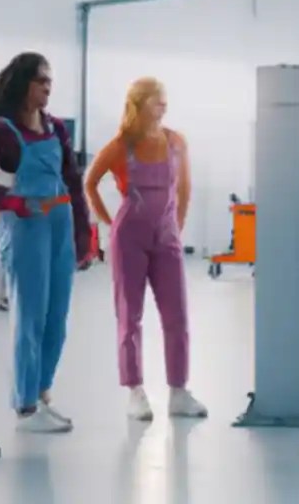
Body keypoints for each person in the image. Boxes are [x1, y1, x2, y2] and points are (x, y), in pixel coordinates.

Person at [84, 77, 207, 421]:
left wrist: (176, 227)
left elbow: (185, 188)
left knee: (177, 314)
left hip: (166, 237)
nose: (164, 107)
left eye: (165, 101)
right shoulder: (122, 145)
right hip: (130, 237)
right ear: (139, 105)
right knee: (129, 315)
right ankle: (135, 391)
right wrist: (109, 223)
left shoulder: (176, 142)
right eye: (157, 101)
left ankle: (179, 391)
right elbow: (90, 181)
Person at [0, 53, 90, 434]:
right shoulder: (2, 131)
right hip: (24, 227)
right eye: (40, 80)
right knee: (29, 317)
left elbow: (73, 181)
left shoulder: (56, 128)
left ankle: (43, 393)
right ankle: (25, 406)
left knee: (56, 318)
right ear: (21, 83)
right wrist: (18, 204)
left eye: (50, 81)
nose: (47, 87)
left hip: (59, 222)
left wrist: (83, 232)